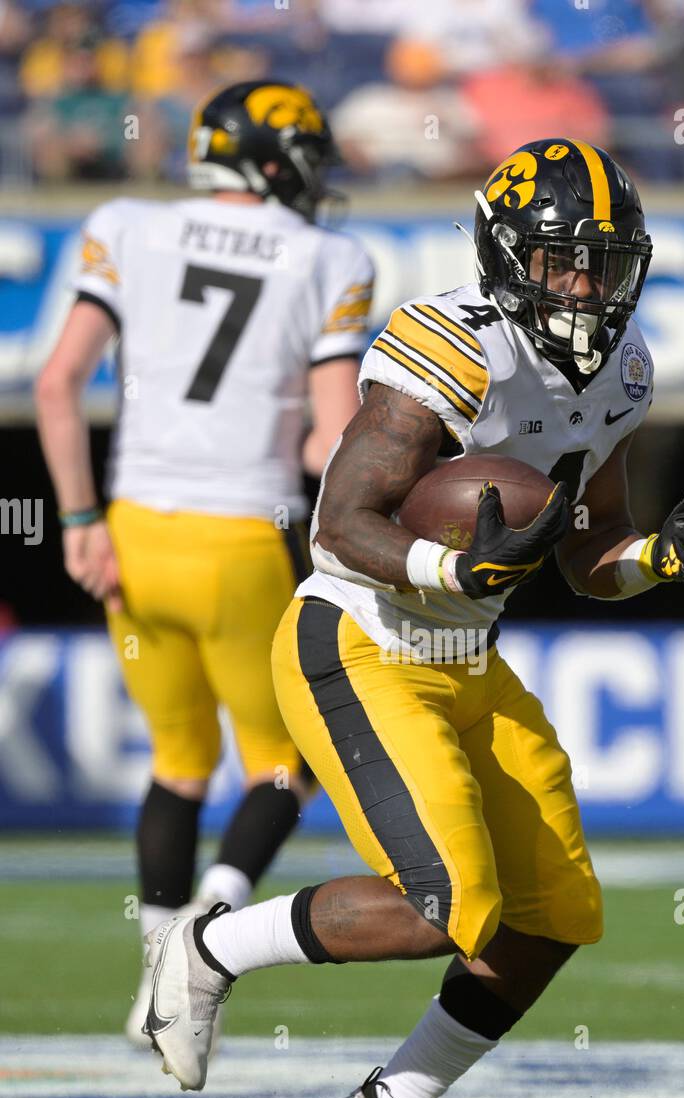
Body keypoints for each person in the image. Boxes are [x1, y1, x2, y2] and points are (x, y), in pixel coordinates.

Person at [145, 138, 684, 1098]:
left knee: (555, 912)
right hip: (361, 635)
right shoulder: (449, 346)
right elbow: (340, 521)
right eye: (564, 261)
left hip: (468, 653)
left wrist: (655, 559)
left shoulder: (623, 366)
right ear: (506, 254)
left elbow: (583, 553)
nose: (585, 287)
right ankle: (208, 944)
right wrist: (450, 562)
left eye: (605, 265)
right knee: (442, 905)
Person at [35, 80, 374, 1046]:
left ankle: (153, 974)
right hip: (240, 540)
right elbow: (329, 440)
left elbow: (57, 385)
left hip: (134, 530)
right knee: (286, 763)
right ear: (274, 163)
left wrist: (77, 519)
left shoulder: (127, 224)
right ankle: (199, 941)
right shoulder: (330, 255)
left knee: (179, 762)